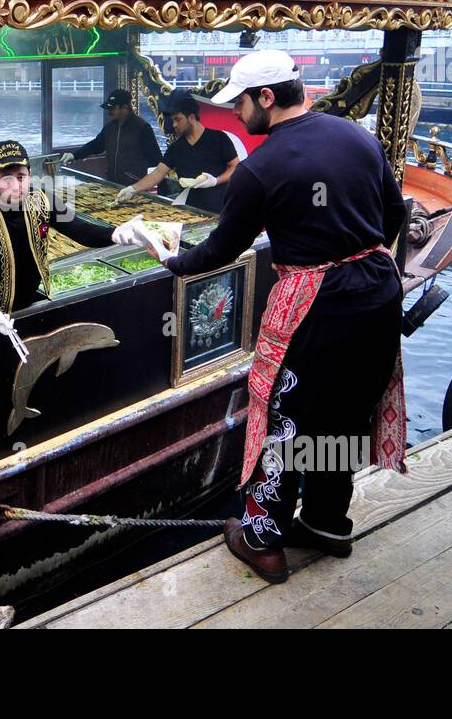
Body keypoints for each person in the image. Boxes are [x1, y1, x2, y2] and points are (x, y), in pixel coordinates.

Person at [160, 50, 408, 583]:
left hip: (317, 305)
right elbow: (397, 214)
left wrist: (169, 259)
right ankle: (326, 523)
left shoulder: (259, 168)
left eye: (241, 103)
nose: (236, 114)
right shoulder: (358, 137)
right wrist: (377, 265)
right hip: (379, 295)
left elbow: (220, 251)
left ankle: (262, 540)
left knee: (285, 421)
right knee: (345, 414)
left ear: (266, 98)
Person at [0, 140, 134, 333]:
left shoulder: (44, 201)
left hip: (31, 306)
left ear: (29, 176)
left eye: (21, 177)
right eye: (6, 178)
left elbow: (81, 230)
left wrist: (116, 233)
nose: (16, 186)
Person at [117, 94, 238, 213]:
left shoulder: (218, 138)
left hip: (218, 208)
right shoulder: (176, 147)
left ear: (191, 117)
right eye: (173, 120)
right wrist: (133, 189)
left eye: (178, 119)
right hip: (189, 209)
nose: (174, 125)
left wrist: (216, 180)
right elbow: (158, 173)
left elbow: (236, 167)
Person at [59, 88, 163, 185]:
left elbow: (156, 159)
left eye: (113, 108)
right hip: (112, 182)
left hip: (134, 185)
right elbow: (96, 145)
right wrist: (75, 155)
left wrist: (134, 170)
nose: (109, 112)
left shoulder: (142, 127)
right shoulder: (110, 127)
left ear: (125, 108)